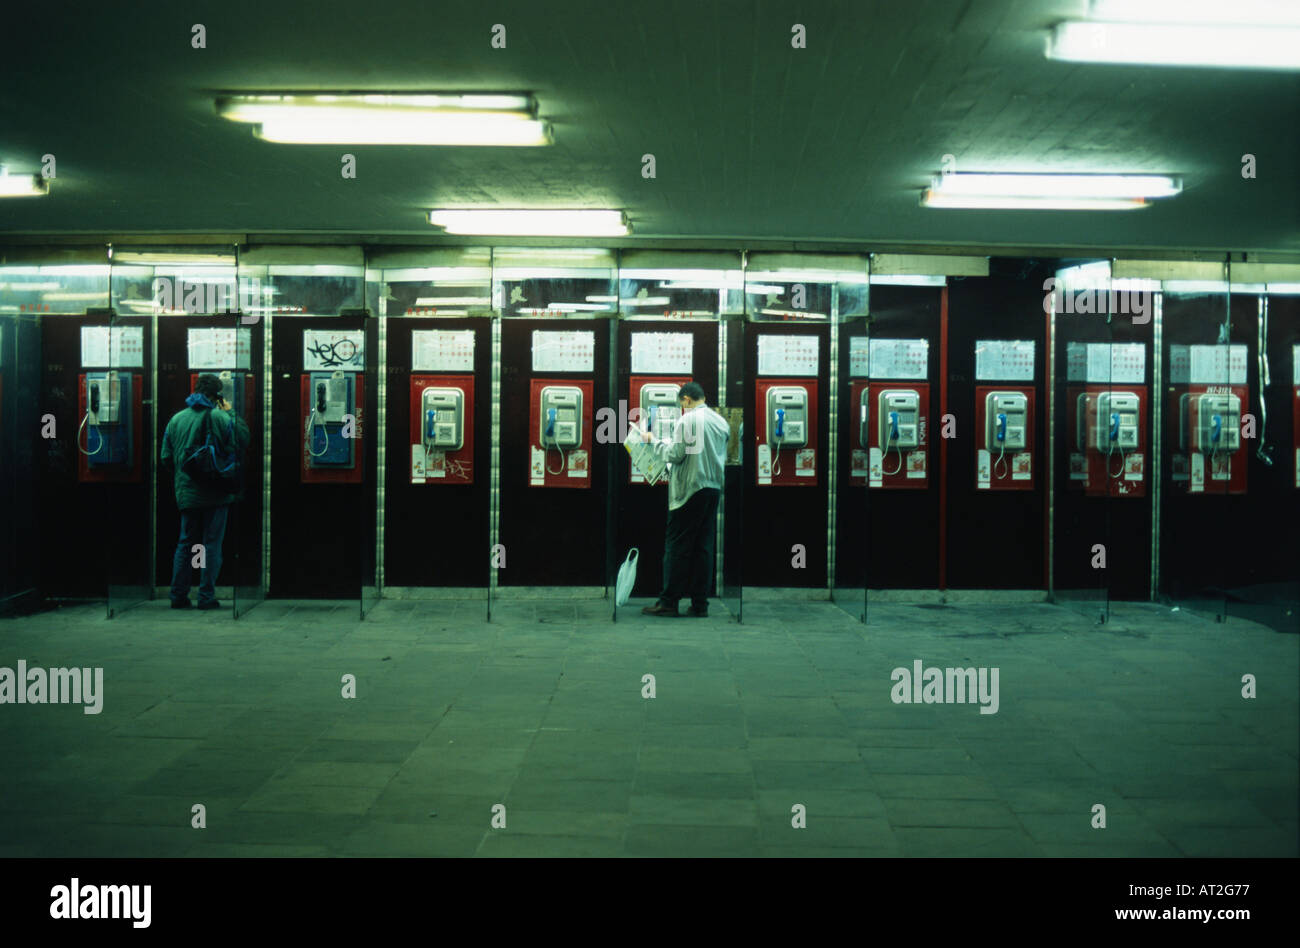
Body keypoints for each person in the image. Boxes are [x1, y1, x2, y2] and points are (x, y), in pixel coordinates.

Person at [638, 382, 731, 617]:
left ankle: (669, 602)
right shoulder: (720, 421)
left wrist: (652, 440)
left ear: (687, 399)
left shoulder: (687, 420)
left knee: (677, 547)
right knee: (703, 548)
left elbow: (675, 455)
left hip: (690, 490)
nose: (681, 408)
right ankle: (700, 604)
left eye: (681, 403)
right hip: (713, 488)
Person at [160, 373, 250, 610]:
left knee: (186, 543)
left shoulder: (176, 420)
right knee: (211, 544)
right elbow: (242, 441)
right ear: (217, 395)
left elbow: (165, 457)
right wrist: (230, 411)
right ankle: (206, 596)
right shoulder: (221, 417)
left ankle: (178, 595)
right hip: (217, 492)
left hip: (187, 493)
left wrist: (183, 476)